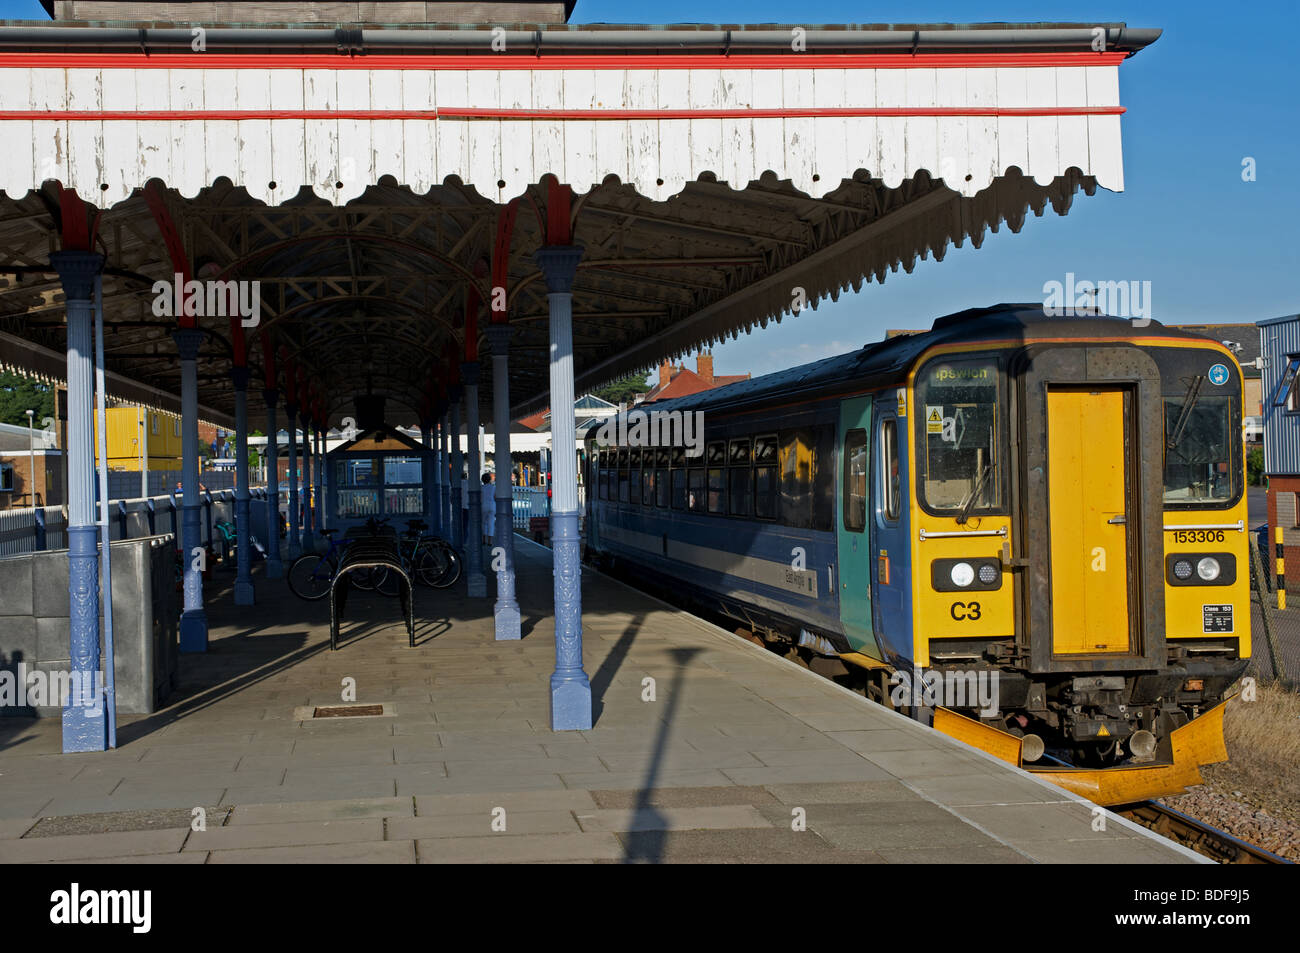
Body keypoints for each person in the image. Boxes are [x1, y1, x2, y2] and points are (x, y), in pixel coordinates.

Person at [481, 472, 496, 542]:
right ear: (489, 479)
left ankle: (484, 539)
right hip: (492, 505)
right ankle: (490, 540)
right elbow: (495, 496)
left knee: (484, 523)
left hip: (483, 506)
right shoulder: (493, 487)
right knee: (491, 523)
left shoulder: (481, 488)